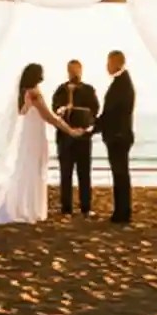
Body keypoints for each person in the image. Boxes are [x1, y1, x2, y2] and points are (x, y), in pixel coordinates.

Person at [0, 63, 85, 225]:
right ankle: (29, 208)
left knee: (27, 169)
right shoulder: (34, 93)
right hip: (35, 137)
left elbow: (24, 112)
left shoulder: (24, 93)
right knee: (33, 169)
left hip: (29, 135)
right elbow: (49, 117)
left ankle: (27, 206)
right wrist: (70, 130)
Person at [51, 59, 99, 216]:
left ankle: (86, 207)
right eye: (71, 71)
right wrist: (62, 109)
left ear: (81, 70)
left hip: (83, 137)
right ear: (67, 71)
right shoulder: (61, 90)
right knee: (66, 173)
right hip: (64, 137)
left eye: (76, 70)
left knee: (84, 173)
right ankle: (66, 208)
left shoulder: (88, 89)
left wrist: (86, 121)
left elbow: (95, 110)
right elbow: (54, 109)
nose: (73, 73)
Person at [95, 50, 135, 224]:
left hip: (118, 136)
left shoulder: (122, 84)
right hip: (117, 135)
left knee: (120, 174)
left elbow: (111, 113)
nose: (107, 66)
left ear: (117, 63)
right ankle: (121, 211)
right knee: (119, 174)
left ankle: (123, 212)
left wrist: (92, 128)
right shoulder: (121, 82)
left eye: (109, 63)